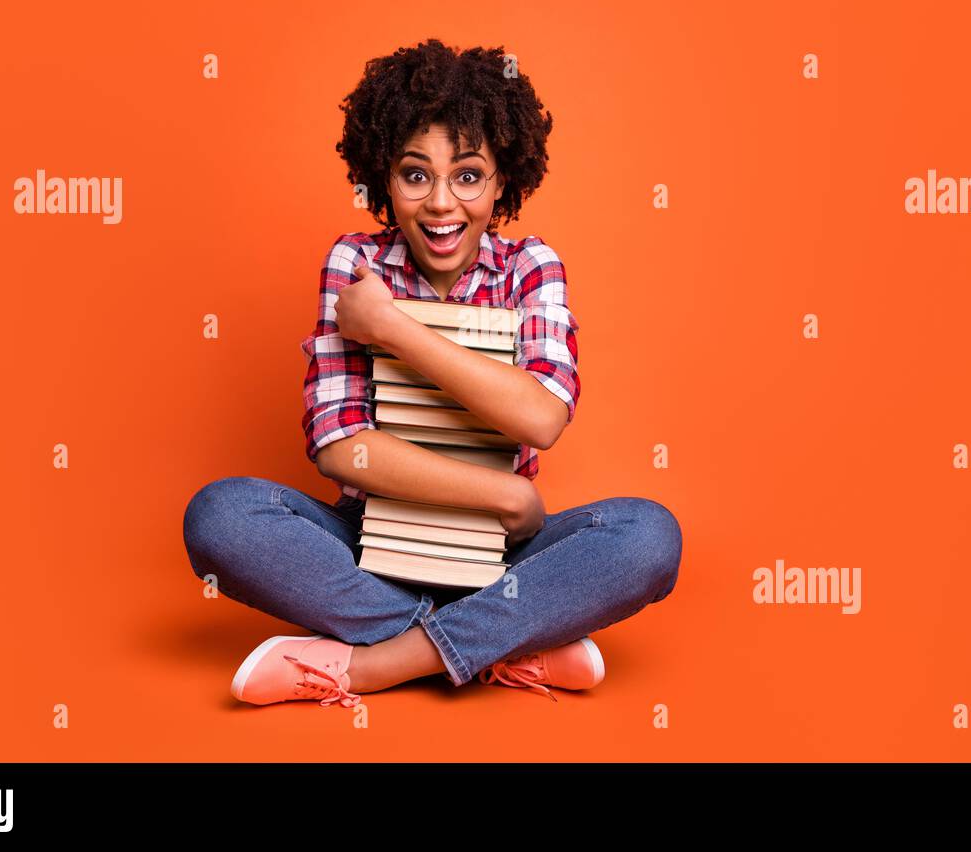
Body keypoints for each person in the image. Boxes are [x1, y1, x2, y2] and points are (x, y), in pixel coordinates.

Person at [182, 39, 682, 708]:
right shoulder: (354, 263)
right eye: (416, 175)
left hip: (503, 561)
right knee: (221, 516)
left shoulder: (531, 267)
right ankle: (506, 645)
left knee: (647, 537)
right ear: (383, 179)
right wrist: (502, 495)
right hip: (368, 549)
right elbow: (339, 448)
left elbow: (540, 415)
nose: (442, 203)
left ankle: (372, 665)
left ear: (503, 179)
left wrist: (392, 328)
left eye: (468, 175)